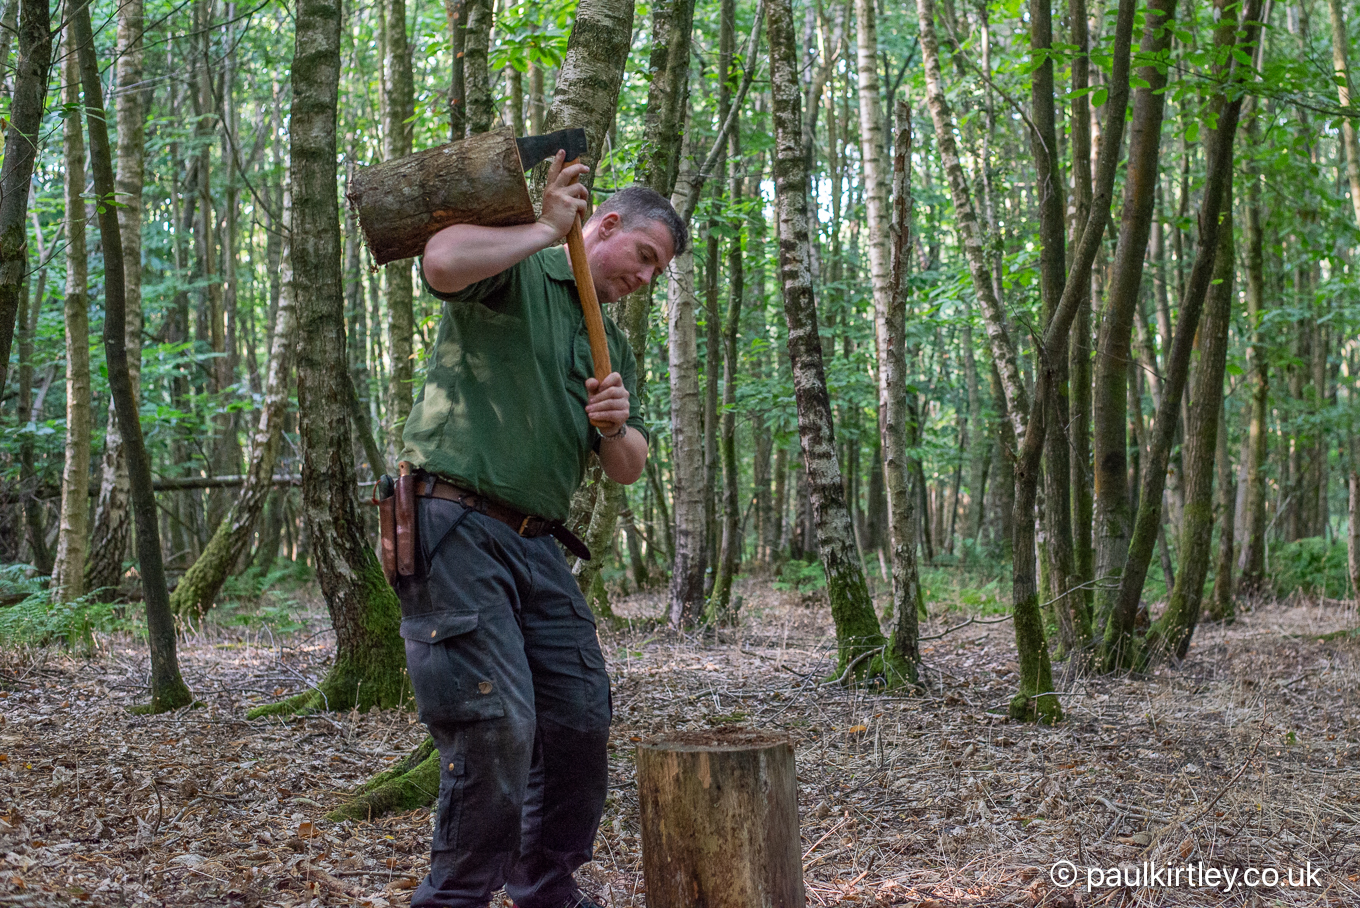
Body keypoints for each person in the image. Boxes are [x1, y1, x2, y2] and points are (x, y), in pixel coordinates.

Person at [395, 152, 687, 908]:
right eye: (646, 257)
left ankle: (543, 886)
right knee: (495, 722)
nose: (646, 279)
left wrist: (617, 426)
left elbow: (628, 466)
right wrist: (546, 226)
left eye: (659, 273)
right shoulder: (521, 268)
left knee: (579, 715)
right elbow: (443, 259)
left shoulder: (607, 343)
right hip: (452, 519)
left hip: (536, 542)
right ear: (609, 224)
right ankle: (453, 898)